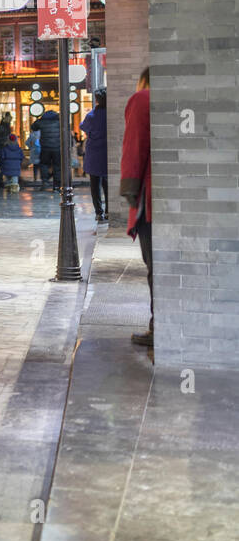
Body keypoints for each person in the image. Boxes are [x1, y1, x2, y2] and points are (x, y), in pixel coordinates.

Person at [121, 68, 153, 347]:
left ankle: (160, 326)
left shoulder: (143, 99)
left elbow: (134, 146)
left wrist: (129, 190)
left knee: (156, 264)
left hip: (153, 199)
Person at [82, 90, 109, 222]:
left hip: (94, 152)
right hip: (107, 152)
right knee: (107, 183)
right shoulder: (110, 114)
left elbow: (83, 127)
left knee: (95, 184)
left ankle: (99, 212)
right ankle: (109, 211)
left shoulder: (92, 115)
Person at [36, 107, 62, 190]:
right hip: (57, 148)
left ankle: (45, 181)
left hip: (45, 148)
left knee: (44, 164)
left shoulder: (42, 122)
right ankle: (56, 186)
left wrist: (40, 119)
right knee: (57, 166)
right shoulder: (59, 122)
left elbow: (33, 126)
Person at [0, 113, 14, 188]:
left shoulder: (3, 126)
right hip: (2, 147)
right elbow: (2, 137)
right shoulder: (4, 127)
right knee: (0, 165)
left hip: (1, 147)